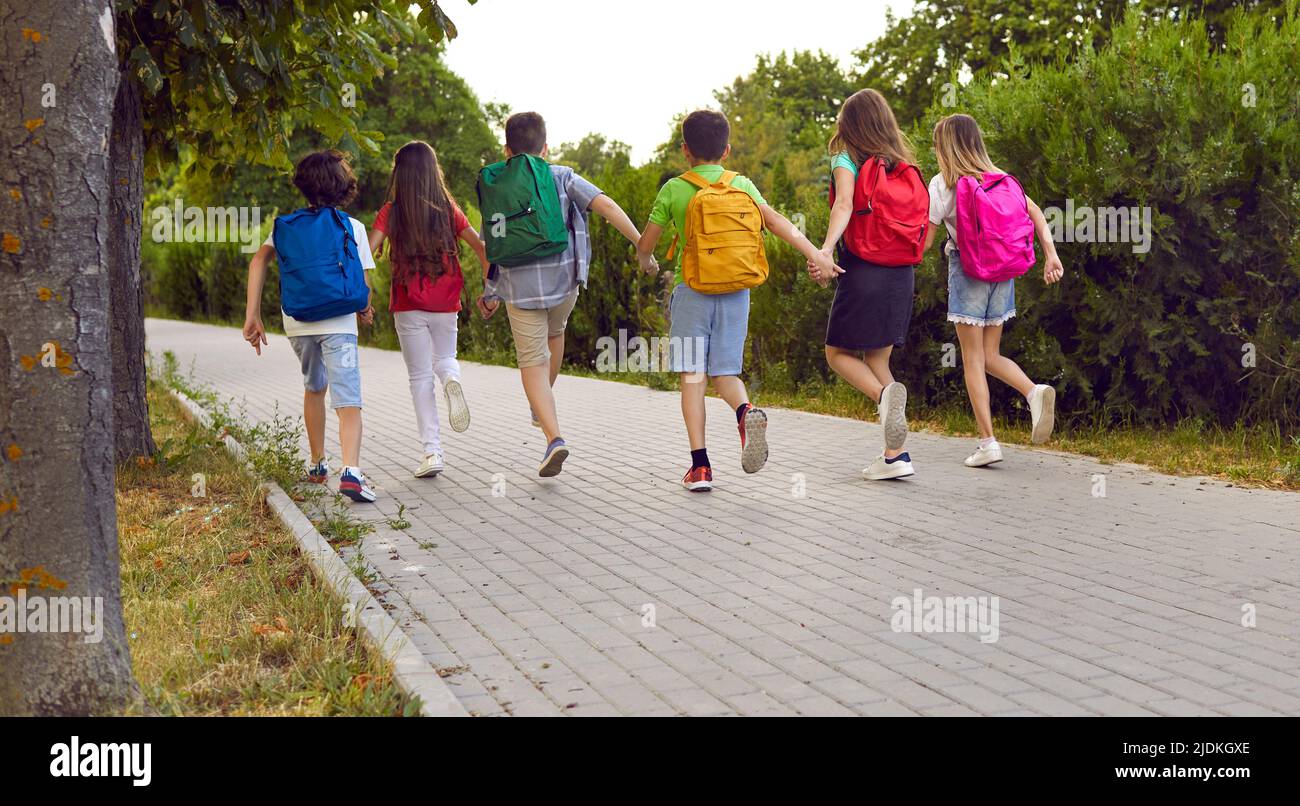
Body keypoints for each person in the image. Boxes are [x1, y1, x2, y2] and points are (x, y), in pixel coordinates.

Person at [639, 109, 841, 492]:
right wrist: (815, 253)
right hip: (736, 290)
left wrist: (645, 260)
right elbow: (777, 221)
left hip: (692, 291)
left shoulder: (675, 189)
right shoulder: (742, 185)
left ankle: (700, 468)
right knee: (726, 373)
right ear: (727, 150)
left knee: (693, 376)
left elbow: (647, 242)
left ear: (685, 150)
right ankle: (745, 411)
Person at [476, 112, 650, 477]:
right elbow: (606, 205)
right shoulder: (562, 175)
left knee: (530, 363)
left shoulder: (496, 186)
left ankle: (553, 436)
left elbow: (490, 241)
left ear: (506, 150)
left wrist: (490, 291)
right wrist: (640, 245)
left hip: (519, 289)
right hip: (563, 284)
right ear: (546, 147)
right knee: (555, 337)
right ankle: (543, 407)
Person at [925, 113, 1064, 467]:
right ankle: (1033, 392)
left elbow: (924, 242)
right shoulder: (1000, 178)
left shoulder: (942, 185)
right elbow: (1036, 215)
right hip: (1003, 273)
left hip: (969, 271)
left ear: (947, 146)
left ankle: (988, 442)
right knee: (989, 355)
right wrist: (1050, 255)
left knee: (972, 360)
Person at [242, 149, 379, 502]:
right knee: (348, 398)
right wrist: (365, 308)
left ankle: (318, 464)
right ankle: (351, 472)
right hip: (339, 325)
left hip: (298, 323)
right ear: (342, 185)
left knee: (314, 388)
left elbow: (259, 261)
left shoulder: (286, 227)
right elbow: (361, 284)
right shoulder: (353, 227)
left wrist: (252, 315)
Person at [808, 89, 926, 481]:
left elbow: (843, 204)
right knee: (877, 359)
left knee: (836, 352)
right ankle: (897, 456)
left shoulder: (848, 157)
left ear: (850, 124)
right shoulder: (903, 163)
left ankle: (883, 398)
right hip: (901, 273)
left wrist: (825, 251)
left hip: (864, 268)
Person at [369, 140, 487, 479]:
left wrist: (361, 286)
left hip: (408, 301)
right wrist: (489, 288)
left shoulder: (392, 212)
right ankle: (451, 378)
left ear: (400, 173)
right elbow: (480, 247)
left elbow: (367, 250)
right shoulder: (448, 209)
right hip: (446, 297)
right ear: (433, 172)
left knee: (419, 376)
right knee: (445, 358)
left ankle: (432, 452)